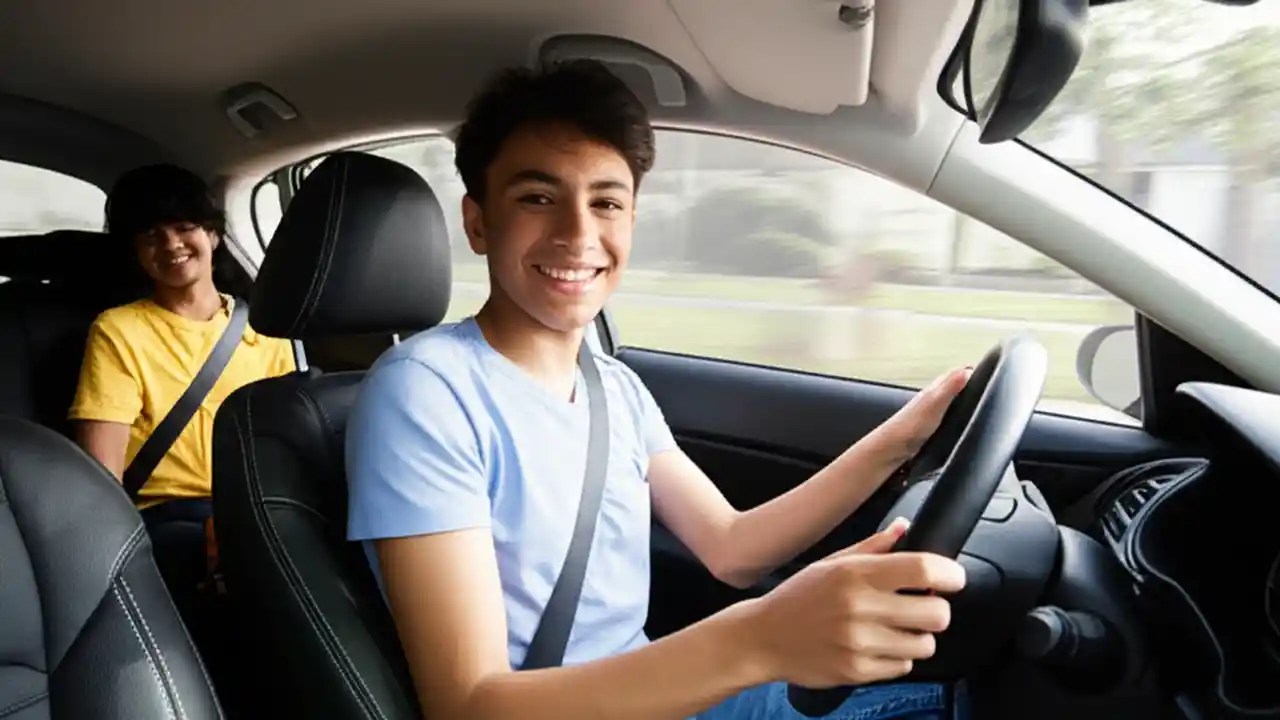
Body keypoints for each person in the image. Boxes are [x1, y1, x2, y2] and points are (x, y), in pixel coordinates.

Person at [346, 60, 972, 720]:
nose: (578, 235)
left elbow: (732, 548)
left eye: (607, 203)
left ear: (632, 221)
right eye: (537, 198)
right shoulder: (425, 394)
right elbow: (470, 705)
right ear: (478, 223)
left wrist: (898, 439)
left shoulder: (614, 387)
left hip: (674, 695)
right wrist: (761, 638)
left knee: (960, 693)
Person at [68, 164, 295, 709]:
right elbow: (100, 483)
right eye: (150, 235)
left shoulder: (265, 332)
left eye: (183, 226)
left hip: (255, 512)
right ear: (134, 252)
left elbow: (285, 451)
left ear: (213, 233)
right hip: (171, 520)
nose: (170, 244)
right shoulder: (120, 330)